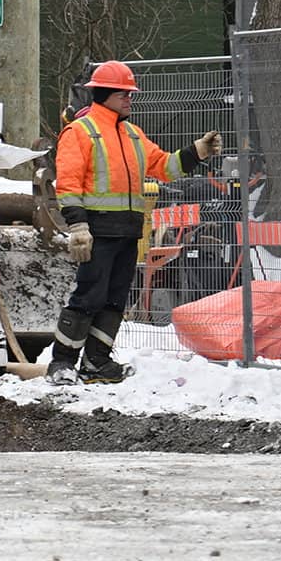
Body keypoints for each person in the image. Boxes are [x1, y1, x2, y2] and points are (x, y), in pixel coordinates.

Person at [46, 60, 222, 383]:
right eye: (124, 94)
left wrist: (197, 151)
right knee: (88, 297)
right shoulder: (80, 132)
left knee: (115, 299)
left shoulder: (133, 135)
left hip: (128, 233)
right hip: (97, 231)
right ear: (105, 95)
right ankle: (62, 363)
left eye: (130, 94)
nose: (130, 100)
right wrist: (78, 227)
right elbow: (68, 184)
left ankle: (97, 362)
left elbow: (165, 166)